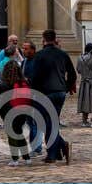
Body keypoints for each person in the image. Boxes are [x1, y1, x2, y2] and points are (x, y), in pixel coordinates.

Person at [26, 28, 75, 164]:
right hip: (59, 92)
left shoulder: (39, 55)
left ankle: (55, 153)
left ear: (43, 40)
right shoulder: (63, 54)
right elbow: (72, 73)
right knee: (51, 122)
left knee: (47, 123)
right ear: (54, 39)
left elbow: (35, 77)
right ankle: (59, 149)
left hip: (45, 93)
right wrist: (67, 86)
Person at [76, 42, 92, 126]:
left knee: (84, 100)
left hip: (84, 81)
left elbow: (78, 70)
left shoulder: (80, 58)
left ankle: (84, 121)